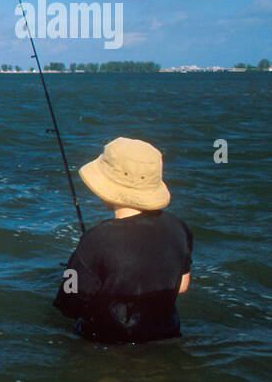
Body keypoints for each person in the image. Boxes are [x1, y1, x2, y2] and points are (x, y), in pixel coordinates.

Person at [54, 137, 192, 343]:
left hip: (110, 340)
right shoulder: (179, 227)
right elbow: (182, 286)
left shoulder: (96, 238)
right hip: (167, 332)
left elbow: (69, 302)